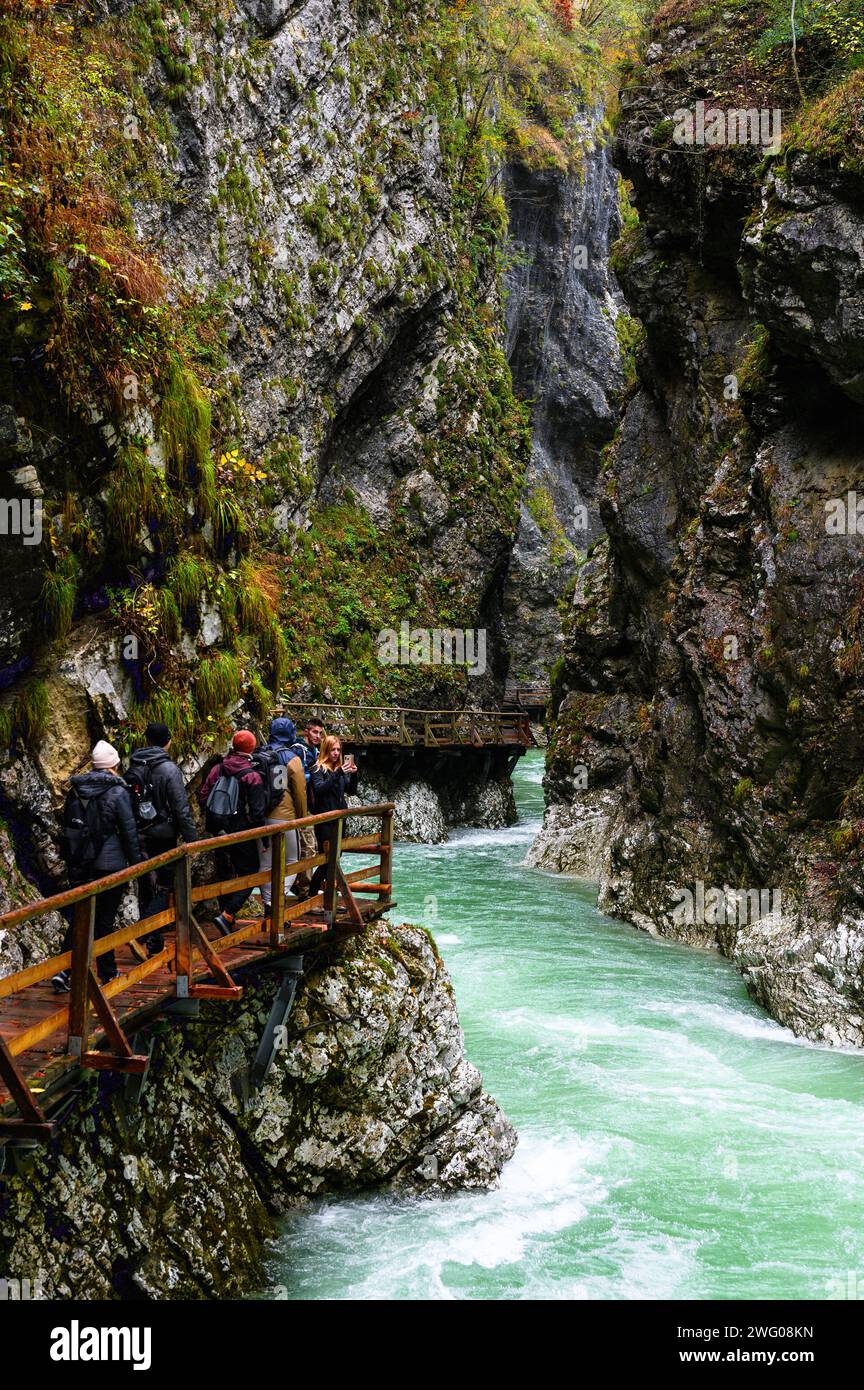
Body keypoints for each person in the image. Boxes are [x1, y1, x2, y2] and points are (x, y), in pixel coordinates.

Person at [53, 740, 145, 993]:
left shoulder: (77, 790)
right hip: (109, 863)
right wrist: (138, 866)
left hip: (81, 861)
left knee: (82, 916)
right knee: (104, 919)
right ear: (114, 765)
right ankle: (107, 972)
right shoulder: (118, 792)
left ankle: (63, 970)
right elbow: (128, 831)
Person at [127, 721, 199, 957]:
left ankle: (154, 945)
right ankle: (141, 935)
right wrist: (192, 839)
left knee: (146, 887)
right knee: (165, 886)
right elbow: (180, 808)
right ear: (168, 741)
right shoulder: (169, 769)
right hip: (162, 835)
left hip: (138, 834)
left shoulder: (133, 764)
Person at [198, 730, 267, 935]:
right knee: (251, 871)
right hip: (241, 832)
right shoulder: (252, 776)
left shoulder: (217, 769)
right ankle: (227, 914)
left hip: (218, 830)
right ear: (251, 749)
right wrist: (263, 839)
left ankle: (226, 918)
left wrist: (217, 815)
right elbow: (257, 812)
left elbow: (203, 797)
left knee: (224, 871)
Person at [258, 717, 310, 917]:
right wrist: (303, 819)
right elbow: (300, 791)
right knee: (292, 861)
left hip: (260, 816)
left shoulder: (260, 753)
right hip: (284, 817)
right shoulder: (292, 758)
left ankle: (268, 903)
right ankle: (277, 902)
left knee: (265, 863)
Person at [308, 735, 358, 898]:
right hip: (325, 821)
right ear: (326, 750)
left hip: (340, 820)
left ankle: (329, 899)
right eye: (333, 750)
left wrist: (354, 774)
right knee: (326, 861)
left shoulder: (340, 769)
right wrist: (338, 773)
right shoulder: (317, 768)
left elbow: (350, 791)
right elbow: (320, 789)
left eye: (338, 750)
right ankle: (312, 895)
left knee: (335, 860)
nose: (336, 753)